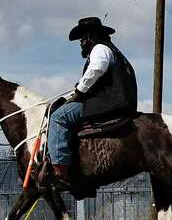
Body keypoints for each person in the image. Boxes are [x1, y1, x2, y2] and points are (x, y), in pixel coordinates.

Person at [46, 17, 138, 183]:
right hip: (120, 101)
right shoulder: (114, 51)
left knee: (58, 117)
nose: (81, 42)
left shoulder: (100, 48)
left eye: (82, 38)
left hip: (109, 103)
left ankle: (60, 171)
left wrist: (79, 91)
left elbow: (96, 69)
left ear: (89, 36)